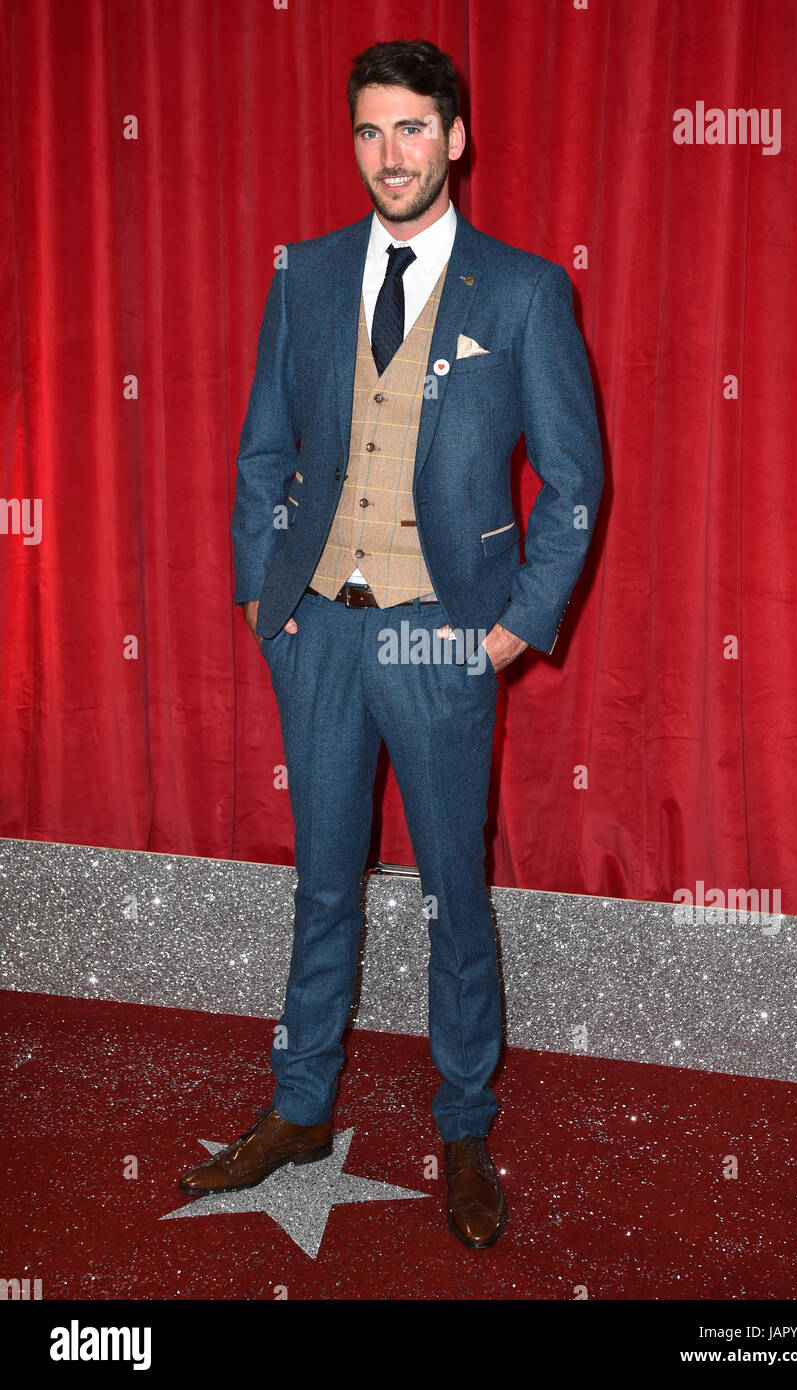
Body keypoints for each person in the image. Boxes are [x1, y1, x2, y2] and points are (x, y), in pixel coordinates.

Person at [179, 37, 604, 1250]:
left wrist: (516, 626)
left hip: (441, 638)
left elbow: (574, 482)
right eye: (370, 131)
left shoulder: (521, 292)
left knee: (453, 895)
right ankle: (301, 1104)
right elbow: (264, 449)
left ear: (455, 138)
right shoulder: (305, 277)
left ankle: (462, 1121)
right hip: (317, 632)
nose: (390, 155)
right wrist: (268, 599)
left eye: (412, 129)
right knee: (321, 883)